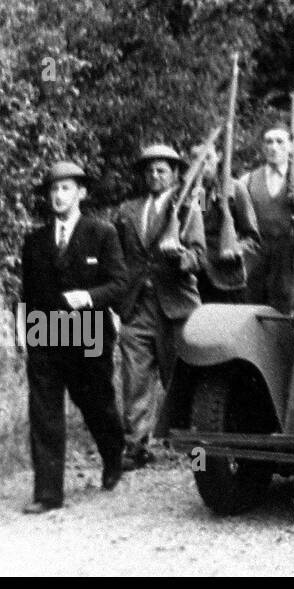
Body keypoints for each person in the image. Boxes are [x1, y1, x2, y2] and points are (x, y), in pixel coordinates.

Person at [14, 162, 129, 513]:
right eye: (53, 190)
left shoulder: (102, 233)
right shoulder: (34, 241)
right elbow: (26, 293)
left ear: (81, 193)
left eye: (65, 189)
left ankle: (113, 455)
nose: (58, 196)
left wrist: (90, 297)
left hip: (88, 330)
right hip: (45, 331)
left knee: (96, 404)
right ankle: (48, 493)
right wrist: (22, 330)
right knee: (44, 410)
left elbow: (120, 283)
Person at [114, 144, 204, 469]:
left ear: (175, 174)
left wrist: (180, 256)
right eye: (150, 170)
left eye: (162, 170)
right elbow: (119, 257)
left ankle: (193, 448)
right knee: (134, 377)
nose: (155, 175)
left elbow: (199, 256)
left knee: (179, 377)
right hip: (137, 305)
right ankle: (136, 446)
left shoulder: (188, 209)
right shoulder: (128, 211)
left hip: (176, 305)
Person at [240, 124, 294, 315]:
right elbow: (239, 222)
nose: (273, 147)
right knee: (251, 311)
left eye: (279, 142)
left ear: (291, 146)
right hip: (256, 256)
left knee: (284, 312)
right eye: (268, 142)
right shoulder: (247, 180)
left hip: (287, 258)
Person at [191, 141, 260, 305]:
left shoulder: (235, 190)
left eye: (207, 158)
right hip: (197, 279)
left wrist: (236, 249)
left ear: (218, 157)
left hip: (226, 280)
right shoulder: (196, 192)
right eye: (196, 159)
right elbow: (198, 224)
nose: (202, 164)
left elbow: (253, 240)